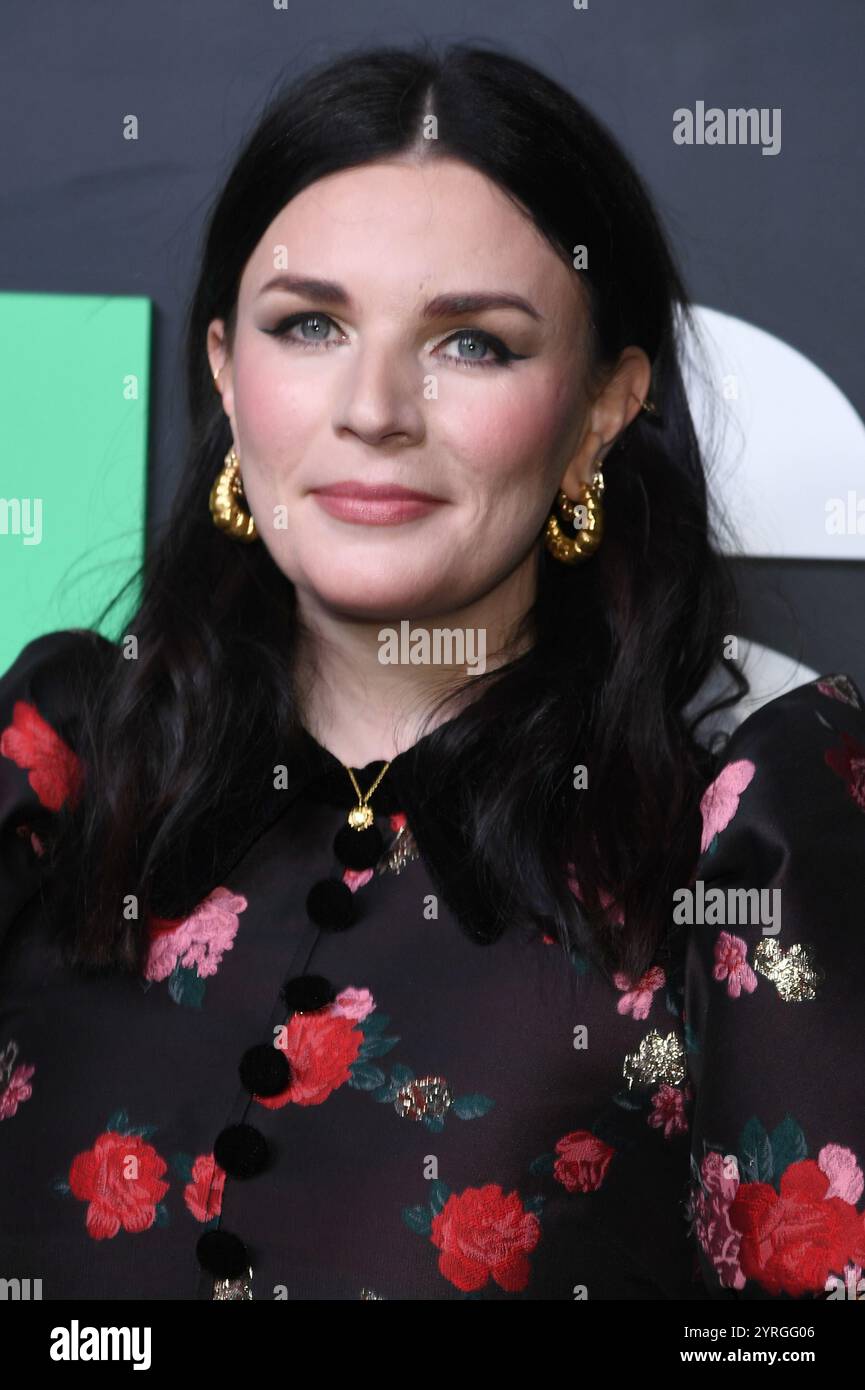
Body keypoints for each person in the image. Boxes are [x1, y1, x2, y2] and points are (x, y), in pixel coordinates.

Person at [1, 41, 864, 1303]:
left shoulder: (731, 870)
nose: (374, 408)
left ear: (602, 411)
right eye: (309, 325)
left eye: (472, 343)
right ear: (227, 379)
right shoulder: (59, 772)